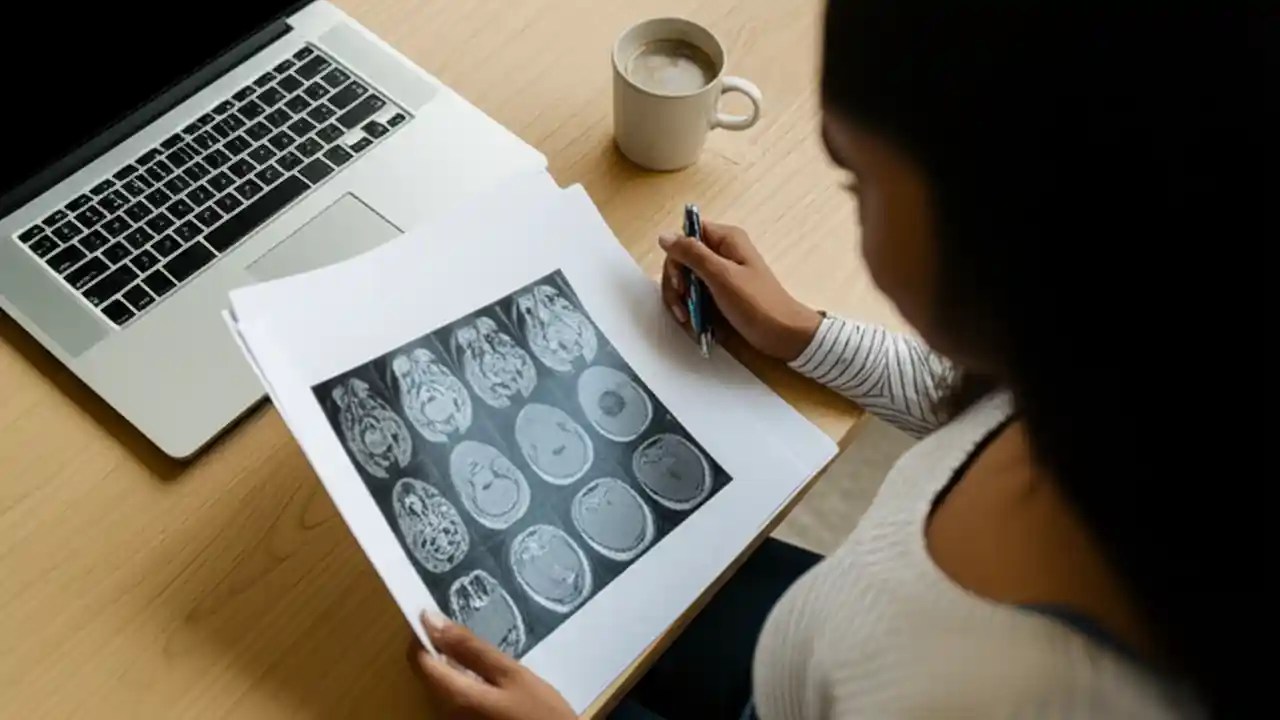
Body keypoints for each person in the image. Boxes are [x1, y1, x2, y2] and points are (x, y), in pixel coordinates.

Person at [407, 2, 1257, 718]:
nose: (854, 214)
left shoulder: (1012, 694)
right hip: (811, 651)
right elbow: (976, 400)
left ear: (1008, 234)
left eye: (856, 183)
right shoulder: (1135, 368)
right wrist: (801, 334)